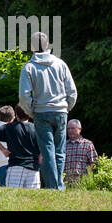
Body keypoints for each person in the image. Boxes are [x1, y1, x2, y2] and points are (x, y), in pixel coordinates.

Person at [18, 31, 78, 190]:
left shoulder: (29, 67)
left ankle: (54, 187)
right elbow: (72, 91)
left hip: (41, 113)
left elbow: (24, 96)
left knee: (47, 151)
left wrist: (31, 112)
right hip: (61, 112)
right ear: (48, 46)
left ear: (32, 47)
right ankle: (58, 185)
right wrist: (66, 108)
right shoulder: (60, 64)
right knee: (60, 152)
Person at [0, 107, 41, 189]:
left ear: (16, 115)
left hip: (16, 166)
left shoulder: (10, 127)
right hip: (34, 167)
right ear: (29, 115)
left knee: (13, 196)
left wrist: (3, 150)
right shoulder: (36, 128)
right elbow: (46, 143)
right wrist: (41, 155)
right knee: (32, 198)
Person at [63, 119, 98, 187]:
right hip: (65, 183)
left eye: (72, 128)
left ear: (80, 129)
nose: (70, 131)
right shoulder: (63, 145)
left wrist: (90, 179)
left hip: (82, 183)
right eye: (68, 129)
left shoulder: (87, 144)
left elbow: (94, 163)